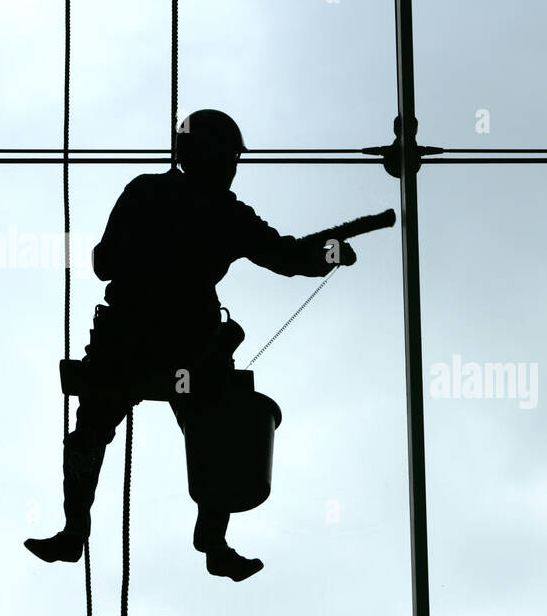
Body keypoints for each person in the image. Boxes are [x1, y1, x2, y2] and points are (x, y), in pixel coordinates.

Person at [25, 109, 356, 581]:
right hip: (186, 343)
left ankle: (75, 529)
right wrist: (329, 253)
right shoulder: (226, 213)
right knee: (219, 429)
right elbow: (286, 257)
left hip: (129, 336)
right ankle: (213, 542)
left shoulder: (147, 191)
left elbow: (102, 263)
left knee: (92, 431)